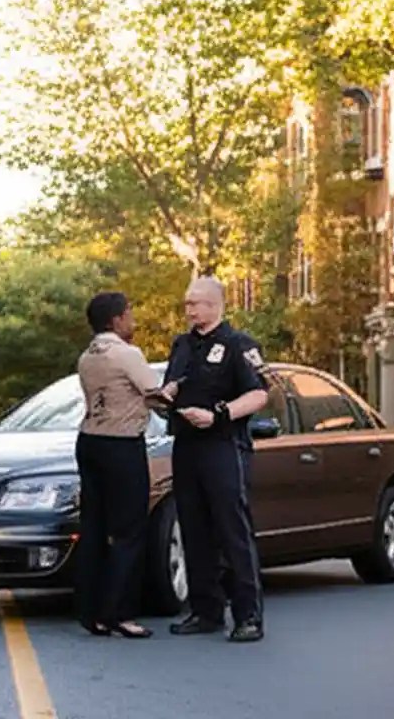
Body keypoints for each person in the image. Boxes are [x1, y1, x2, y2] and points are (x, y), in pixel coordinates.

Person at [158, 275, 269, 642]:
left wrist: (219, 414)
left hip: (222, 443)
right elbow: (176, 384)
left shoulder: (238, 345)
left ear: (214, 305)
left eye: (195, 303)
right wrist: (164, 396)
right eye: (187, 304)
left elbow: (258, 396)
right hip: (186, 444)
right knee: (193, 528)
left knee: (232, 530)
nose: (188, 309)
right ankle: (206, 610)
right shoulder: (183, 345)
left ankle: (248, 615)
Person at [73, 292, 168, 639]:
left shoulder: (87, 356)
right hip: (122, 443)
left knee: (94, 526)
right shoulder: (127, 354)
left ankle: (91, 611)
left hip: (89, 441)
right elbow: (156, 394)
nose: (134, 320)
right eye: (129, 313)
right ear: (115, 320)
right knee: (129, 531)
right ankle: (121, 613)